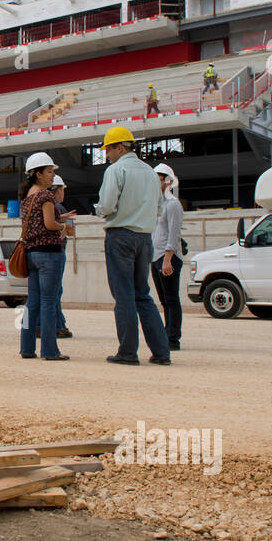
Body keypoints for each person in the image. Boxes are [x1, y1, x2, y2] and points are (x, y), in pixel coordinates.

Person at [94, 126, 171, 365]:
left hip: (120, 236)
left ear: (119, 147)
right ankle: (161, 352)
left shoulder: (116, 169)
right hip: (144, 238)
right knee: (143, 295)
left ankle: (127, 352)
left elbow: (106, 205)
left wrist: (98, 210)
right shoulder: (150, 172)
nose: (107, 155)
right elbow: (159, 207)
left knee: (124, 296)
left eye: (108, 150)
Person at [18, 153, 75, 361]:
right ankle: (50, 350)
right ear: (38, 174)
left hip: (31, 254)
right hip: (49, 254)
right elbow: (50, 224)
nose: (53, 176)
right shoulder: (45, 196)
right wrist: (65, 227)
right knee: (49, 303)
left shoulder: (26, 197)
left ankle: (26, 347)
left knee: (32, 303)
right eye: (50, 172)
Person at [33, 176, 75, 339]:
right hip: (53, 253)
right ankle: (56, 326)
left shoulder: (34, 202)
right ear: (57, 190)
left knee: (42, 294)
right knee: (54, 292)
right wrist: (64, 225)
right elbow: (60, 230)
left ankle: (39, 326)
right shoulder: (57, 208)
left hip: (37, 253)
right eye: (62, 189)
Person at [150, 163, 184, 351]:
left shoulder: (172, 205)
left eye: (159, 179)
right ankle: (167, 332)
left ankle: (173, 338)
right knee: (164, 300)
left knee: (171, 299)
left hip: (167, 256)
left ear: (167, 181)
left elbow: (174, 233)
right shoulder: (156, 204)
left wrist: (168, 259)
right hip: (156, 256)